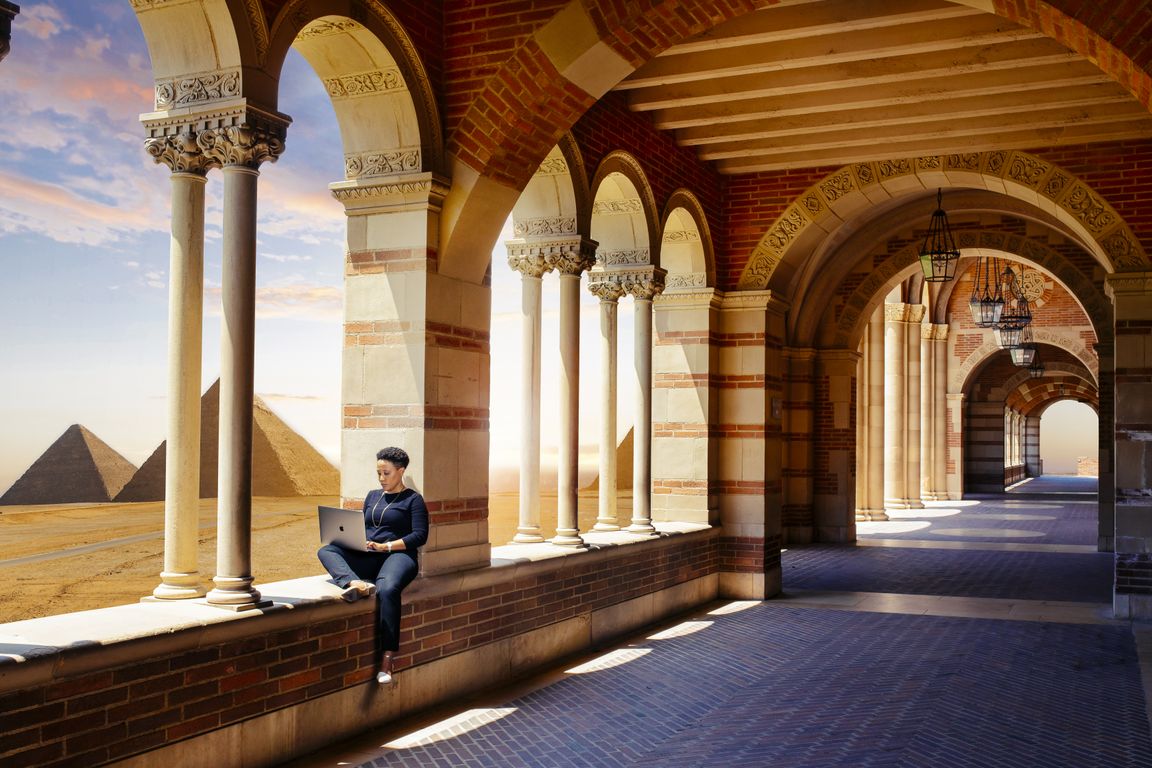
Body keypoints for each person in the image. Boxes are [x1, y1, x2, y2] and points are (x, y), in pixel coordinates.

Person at [317, 446, 428, 684]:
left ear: (401, 471)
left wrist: (386, 547)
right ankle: (353, 582)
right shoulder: (372, 496)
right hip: (369, 553)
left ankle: (387, 659)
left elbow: (420, 536)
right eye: (379, 473)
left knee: (387, 590)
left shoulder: (413, 500)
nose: (381, 478)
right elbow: (365, 524)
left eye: (386, 473)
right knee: (327, 550)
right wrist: (357, 541)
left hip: (399, 556)